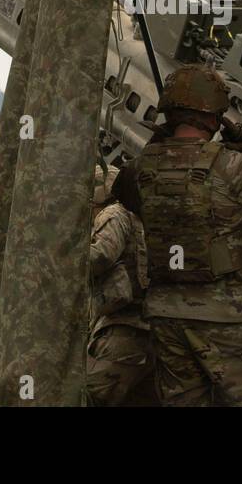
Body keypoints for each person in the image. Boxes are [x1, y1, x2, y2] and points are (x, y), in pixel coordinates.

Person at [114, 65, 242, 406]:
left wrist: (161, 141)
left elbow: (126, 194)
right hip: (228, 316)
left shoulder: (142, 168)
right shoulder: (231, 166)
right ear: (216, 118)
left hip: (166, 315)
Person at [86, 163, 157, 406]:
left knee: (87, 399)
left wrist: (64, 255)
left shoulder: (114, 214)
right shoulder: (143, 217)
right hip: (154, 332)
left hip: (124, 332)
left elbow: (100, 256)